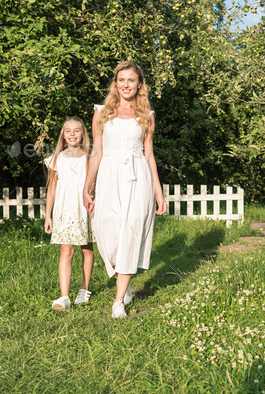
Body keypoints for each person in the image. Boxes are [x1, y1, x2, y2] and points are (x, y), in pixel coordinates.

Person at [83, 61, 167, 318]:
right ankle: (126, 283)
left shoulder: (147, 115)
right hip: (109, 176)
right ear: (115, 83)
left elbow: (149, 155)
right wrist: (87, 187)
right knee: (108, 234)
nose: (126, 85)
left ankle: (119, 300)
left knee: (131, 231)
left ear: (139, 84)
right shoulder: (102, 112)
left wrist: (158, 191)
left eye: (131, 80)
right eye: (122, 80)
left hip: (137, 176)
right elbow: (96, 152)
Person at [44, 116, 96, 312]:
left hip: (84, 207)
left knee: (86, 247)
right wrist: (47, 215)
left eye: (76, 130)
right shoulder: (56, 159)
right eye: (68, 130)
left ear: (83, 133)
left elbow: (94, 184)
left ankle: (84, 289)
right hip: (65, 209)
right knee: (66, 250)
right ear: (63, 135)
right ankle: (64, 296)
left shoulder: (90, 157)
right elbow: (51, 189)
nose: (72, 134)